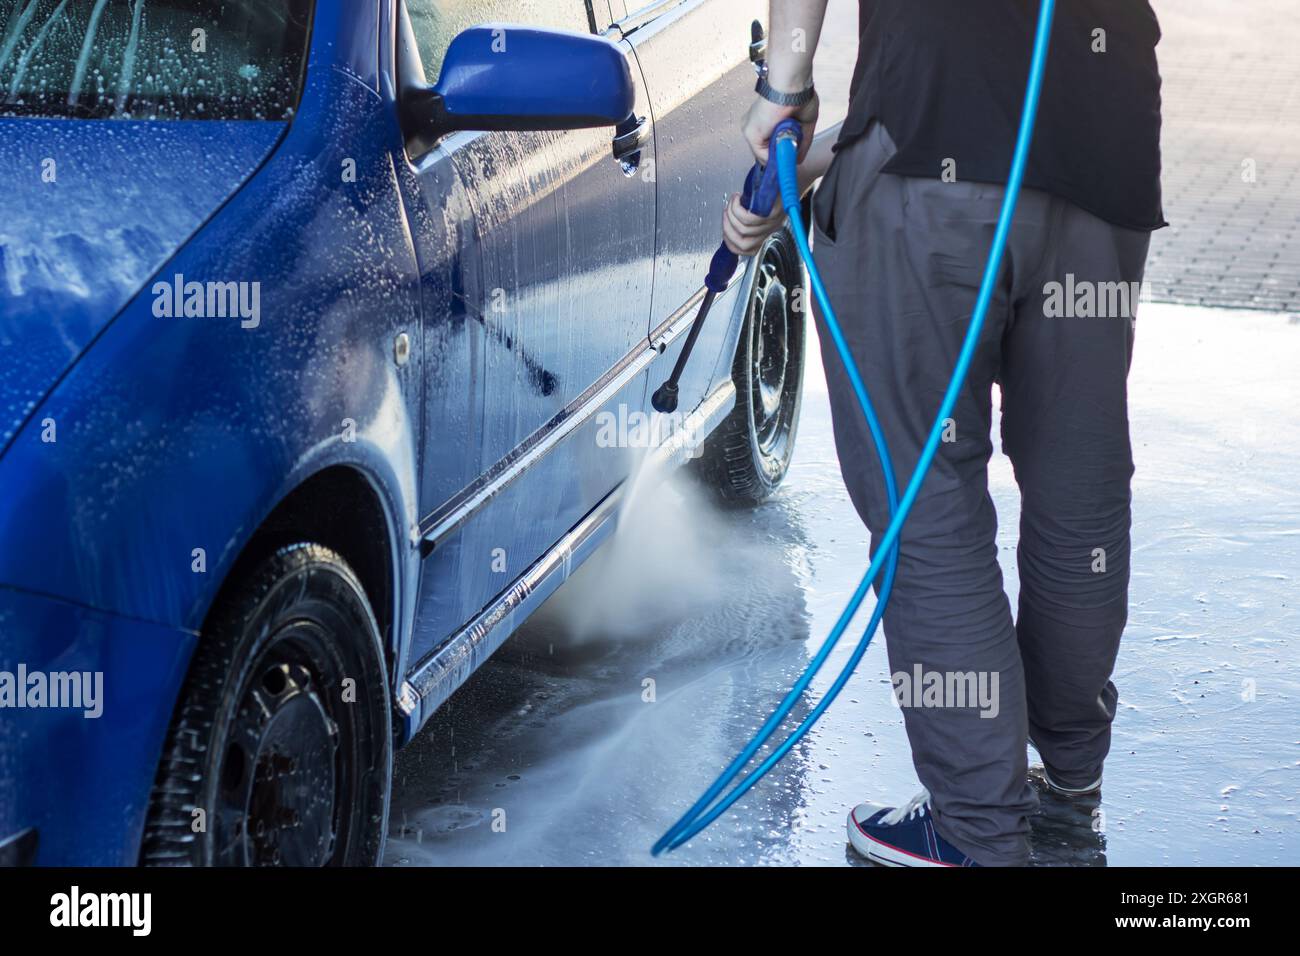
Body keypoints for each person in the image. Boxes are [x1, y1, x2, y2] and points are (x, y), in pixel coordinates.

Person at [726, 0, 1164, 867]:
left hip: (927, 156)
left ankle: (977, 831)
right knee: (1078, 491)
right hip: (1102, 144)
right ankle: (1069, 787)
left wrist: (785, 88)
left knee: (923, 501)